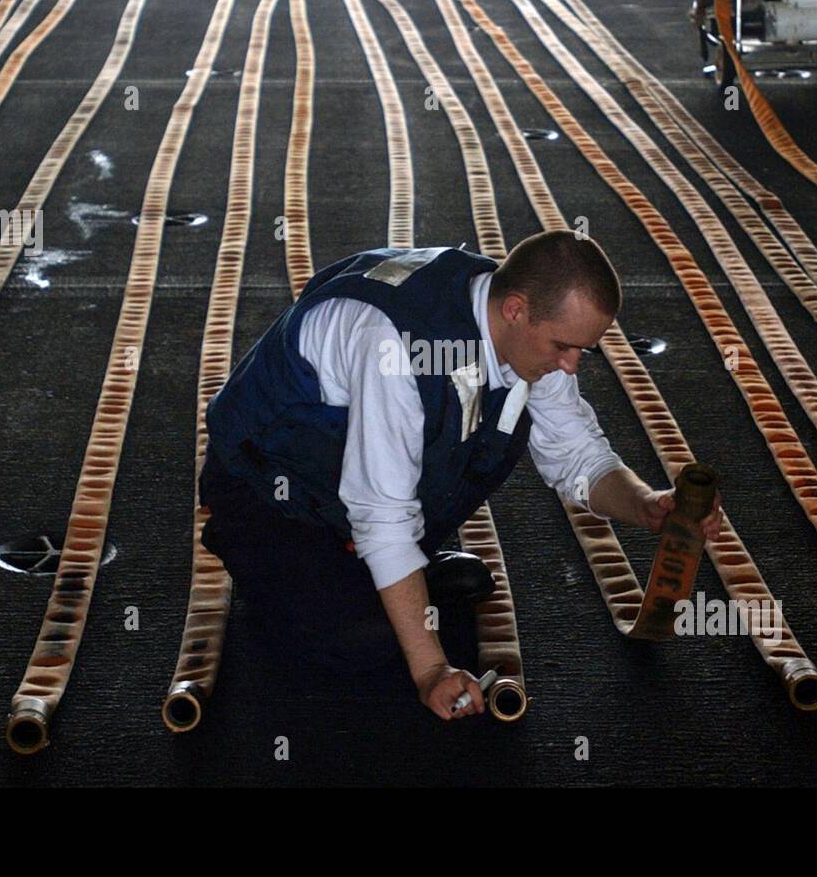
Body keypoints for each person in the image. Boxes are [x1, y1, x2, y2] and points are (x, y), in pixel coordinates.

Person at [198, 230, 723, 721]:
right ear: (516, 310)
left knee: (407, 577)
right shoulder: (398, 347)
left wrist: (648, 504)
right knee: (358, 643)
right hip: (266, 492)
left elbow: (576, 453)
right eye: (564, 347)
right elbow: (382, 514)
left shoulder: (518, 325)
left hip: (347, 487)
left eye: (582, 351)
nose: (570, 366)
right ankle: (270, 561)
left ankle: (389, 574)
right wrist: (431, 671)